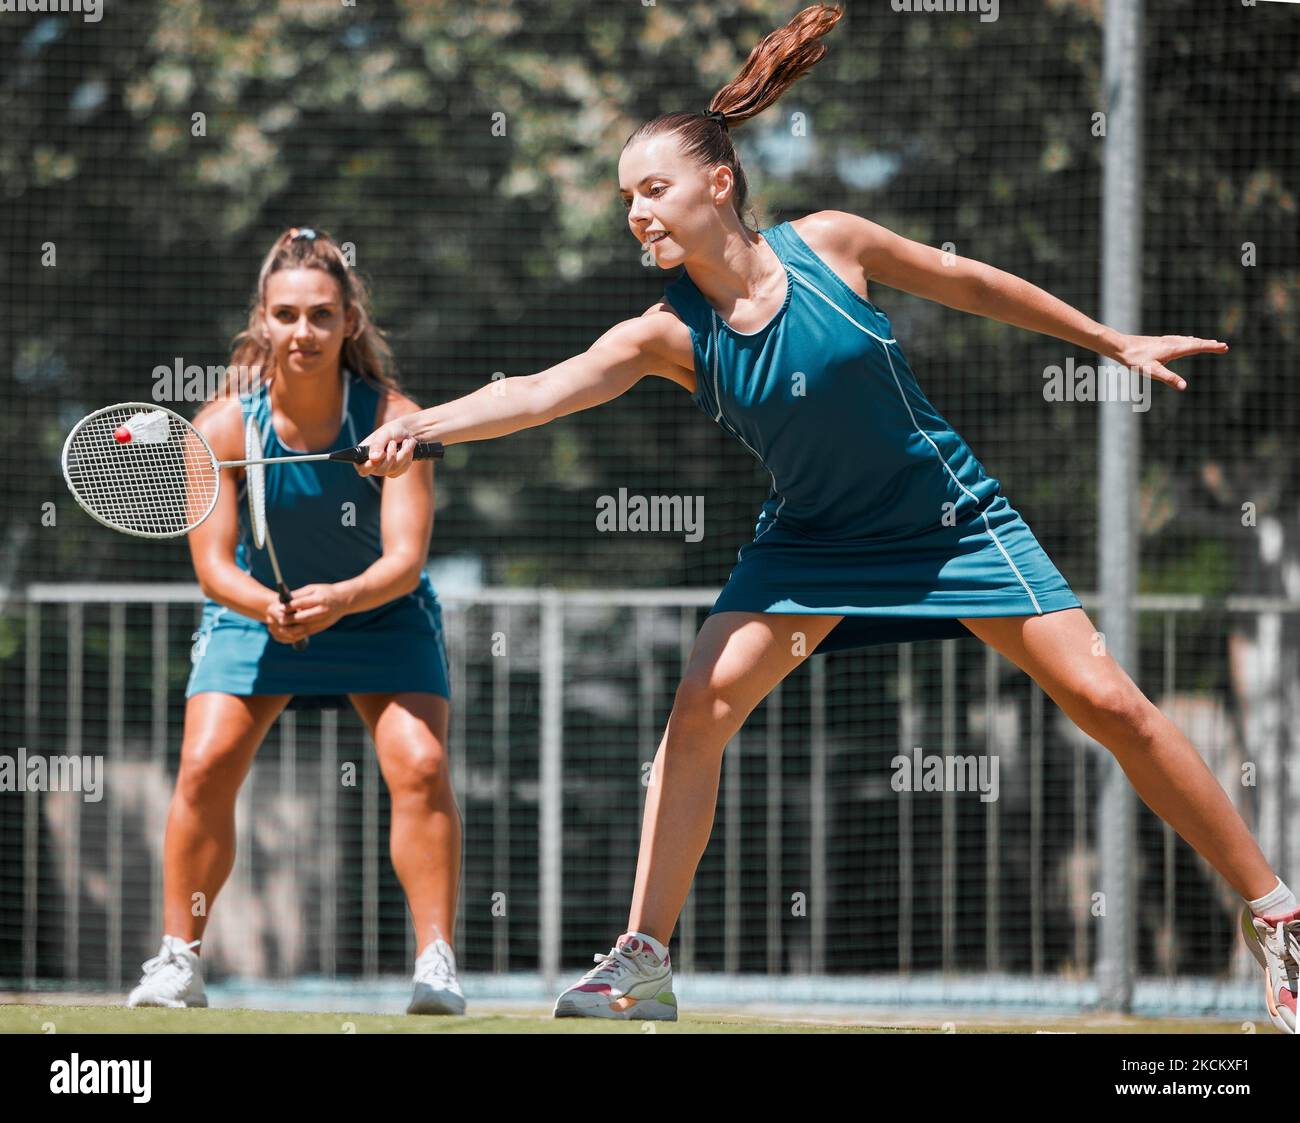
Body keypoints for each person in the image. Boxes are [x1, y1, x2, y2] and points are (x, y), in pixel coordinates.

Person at [355, 5, 1298, 1031]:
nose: (636, 213)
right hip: (812, 543)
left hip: (951, 523)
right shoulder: (663, 333)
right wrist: (423, 426)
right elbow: (539, 391)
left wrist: (1109, 340)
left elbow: (967, 281)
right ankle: (642, 962)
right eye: (625, 198)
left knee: (1111, 703)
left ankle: (1277, 913)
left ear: (719, 183)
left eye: (652, 189)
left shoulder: (830, 244)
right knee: (699, 707)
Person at [127, 227, 466, 1015]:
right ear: (263, 320)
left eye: (320, 314)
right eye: (286, 315)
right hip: (256, 612)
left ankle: (436, 963)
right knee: (205, 763)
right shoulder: (221, 428)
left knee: (420, 764)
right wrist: (268, 607)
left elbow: (405, 560)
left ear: (349, 321)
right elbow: (214, 566)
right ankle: (179, 958)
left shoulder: (396, 418)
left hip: (379, 615)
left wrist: (340, 598)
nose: (303, 332)